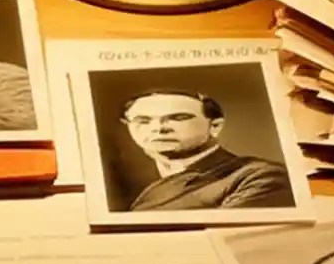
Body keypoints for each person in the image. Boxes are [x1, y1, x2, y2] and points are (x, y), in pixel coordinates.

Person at [119, 90, 294, 211]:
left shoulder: (259, 176)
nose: (158, 129)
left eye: (178, 118)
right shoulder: (133, 181)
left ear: (215, 126)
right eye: (143, 121)